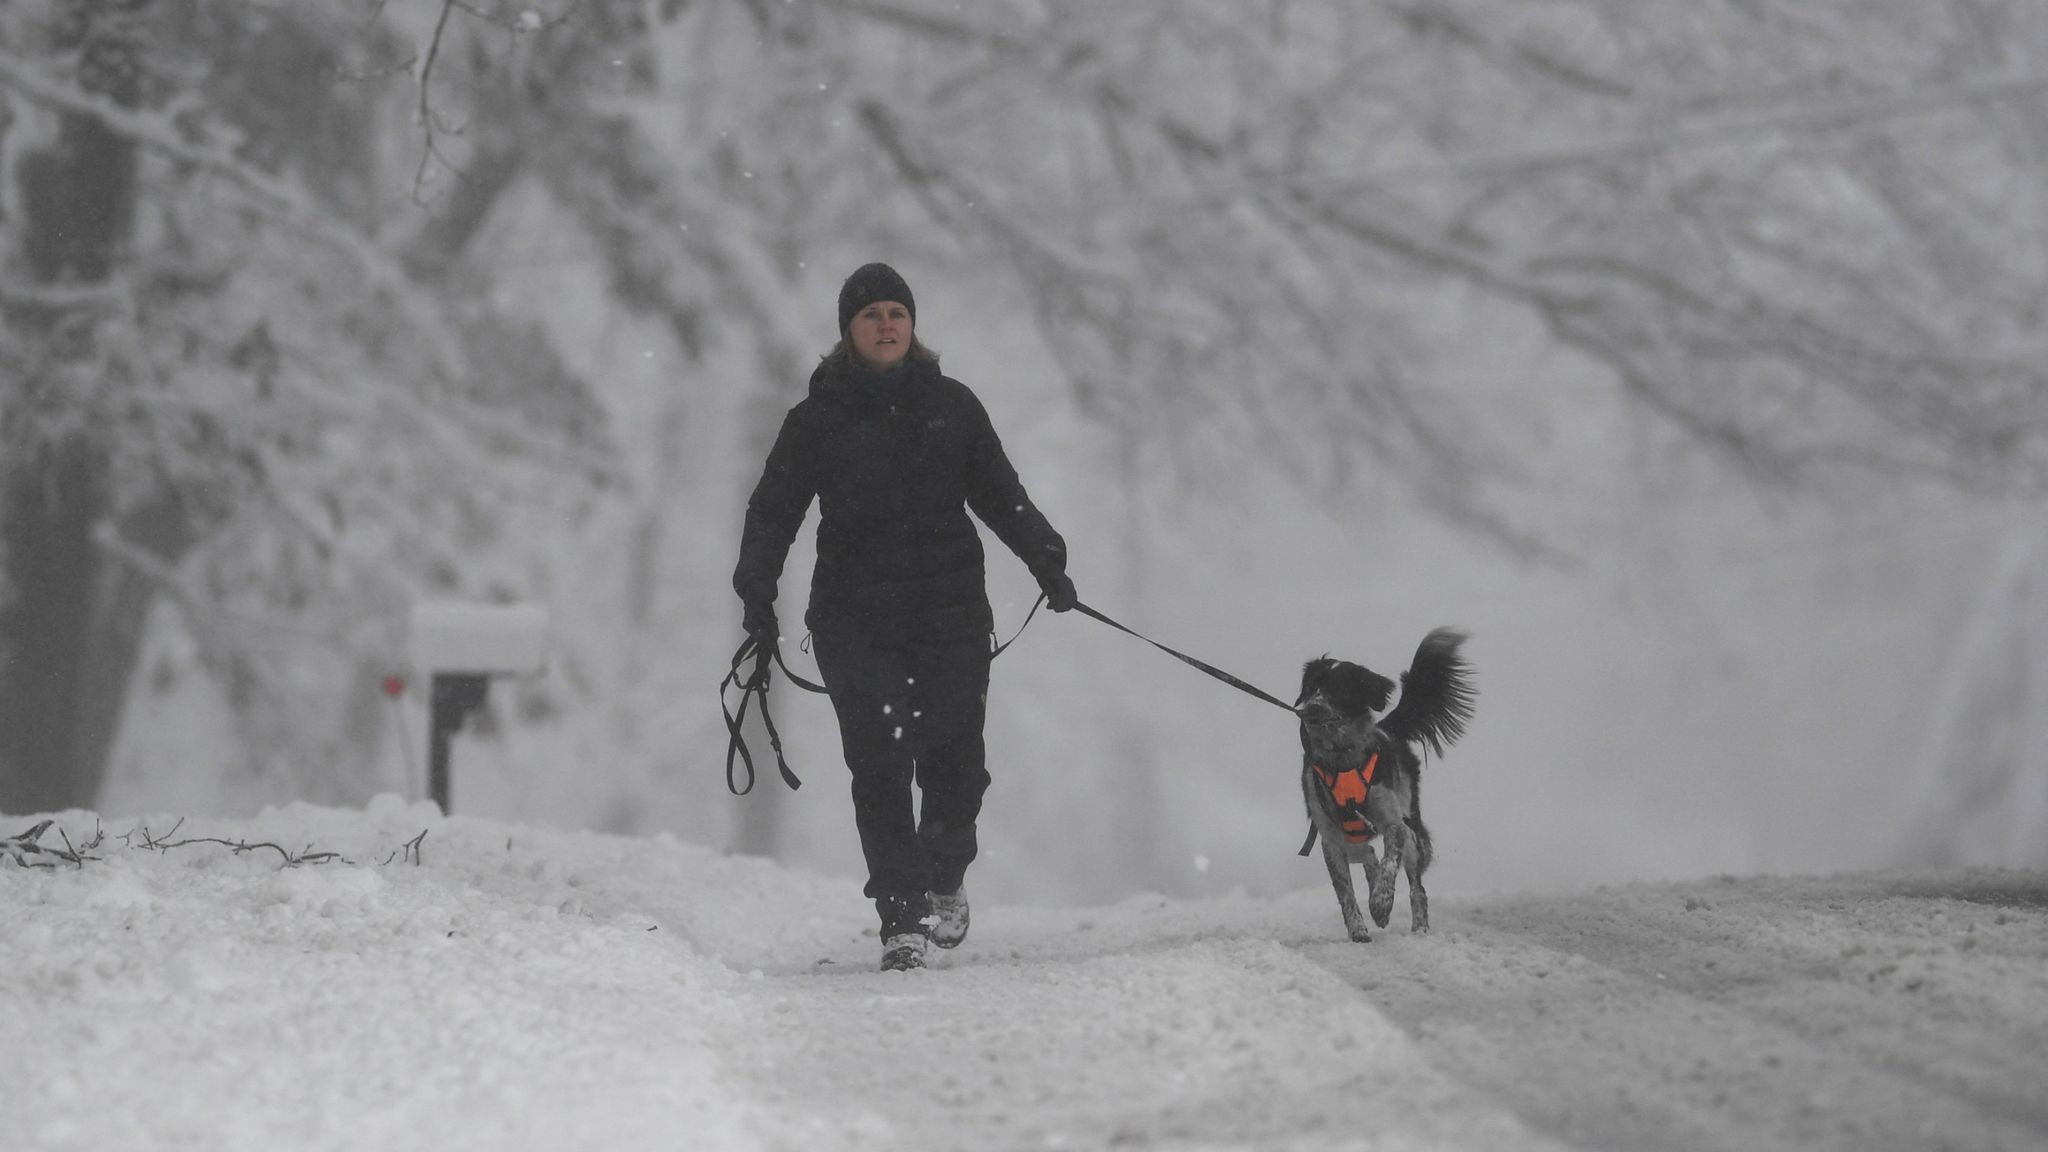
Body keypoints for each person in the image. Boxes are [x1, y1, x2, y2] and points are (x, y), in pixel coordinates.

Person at [733, 262, 1077, 972]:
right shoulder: (817, 419)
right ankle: (902, 915)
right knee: (880, 763)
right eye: (871, 314)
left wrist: (1046, 558)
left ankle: (944, 873)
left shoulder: (952, 407)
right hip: (854, 621)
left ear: (912, 325)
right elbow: (773, 510)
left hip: (949, 615)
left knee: (957, 764)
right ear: (848, 331)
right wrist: (757, 591)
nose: (886, 324)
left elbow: (1000, 494)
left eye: (896, 312)